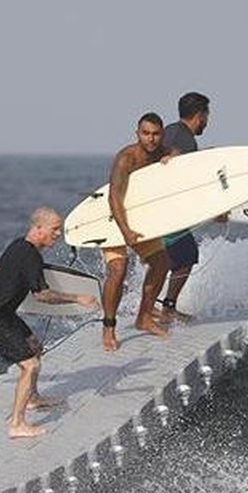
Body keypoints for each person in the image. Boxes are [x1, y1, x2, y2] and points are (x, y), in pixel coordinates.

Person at [0, 207, 99, 439]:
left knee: (35, 347)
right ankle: (17, 424)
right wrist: (77, 298)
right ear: (38, 228)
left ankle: (32, 398)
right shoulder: (30, 255)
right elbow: (42, 295)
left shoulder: (19, 246)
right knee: (30, 365)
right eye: (55, 229)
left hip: (4, 314)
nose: (58, 235)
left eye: (59, 230)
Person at [99, 112, 174, 352]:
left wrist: (173, 156)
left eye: (155, 134)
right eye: (146, 133)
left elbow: (182, 161)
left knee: (161, 263)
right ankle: (109, 327)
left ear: (161, 135)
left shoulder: (162, 152)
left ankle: (144, 317)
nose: (150, 139)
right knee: (118, 270)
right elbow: (114, 198)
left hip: (139, 219)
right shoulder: (127, 158)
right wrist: (125, 231)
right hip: (114, 219)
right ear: (137, 134)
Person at [158, 91, 213, 317]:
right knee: (185, 255)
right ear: (200, 115)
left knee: (172, 257)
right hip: (166, 212)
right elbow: (173, 165)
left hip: (164, 209)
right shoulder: (183, 138)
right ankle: (165, 308)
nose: (207, 122)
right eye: (207, 115)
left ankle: (157, 306)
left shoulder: (172, 131)